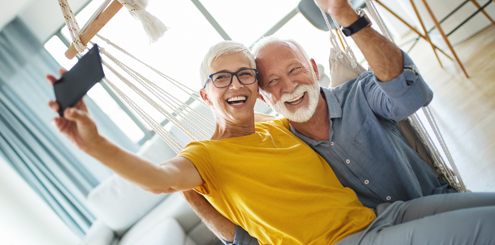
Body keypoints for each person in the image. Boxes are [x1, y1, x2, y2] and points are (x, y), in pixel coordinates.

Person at [48, 38, 495, 244]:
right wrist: (96, 144)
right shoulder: (204, 157)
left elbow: (326, 110)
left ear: (258, 89)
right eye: (222, 77)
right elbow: (159, 179)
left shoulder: (276, 125)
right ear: (205, 94)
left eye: (245, 73)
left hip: (380, 215)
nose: (236, 83)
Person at [180, 0, 495, 244]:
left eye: (295, 70)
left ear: (315, 70)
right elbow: (254, 233)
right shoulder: (279, 148)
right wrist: (191, 192)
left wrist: (346, 16)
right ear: (264, 97)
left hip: (431, 204)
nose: (289, 86)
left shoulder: (359, 93)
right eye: (273, 80)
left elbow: (412, 96)